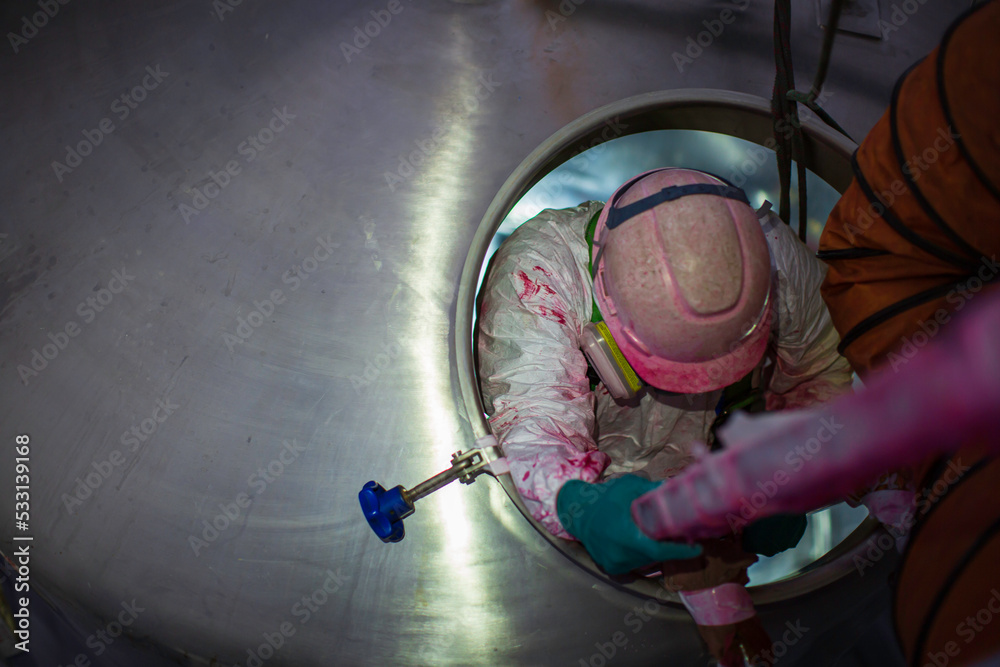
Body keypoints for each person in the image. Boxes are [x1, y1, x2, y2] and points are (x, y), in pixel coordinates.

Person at [629, 3, 1000, 664]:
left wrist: (895, 479)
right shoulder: (551, 284)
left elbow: (833, 359)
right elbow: (881, 261)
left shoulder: (781, 270)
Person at [477, 166, 855, 663]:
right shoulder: (541, 279)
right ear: (606, 298)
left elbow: (822, 375)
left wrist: (790, 472)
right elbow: (536, 428)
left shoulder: (774, 260)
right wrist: (576, 501)